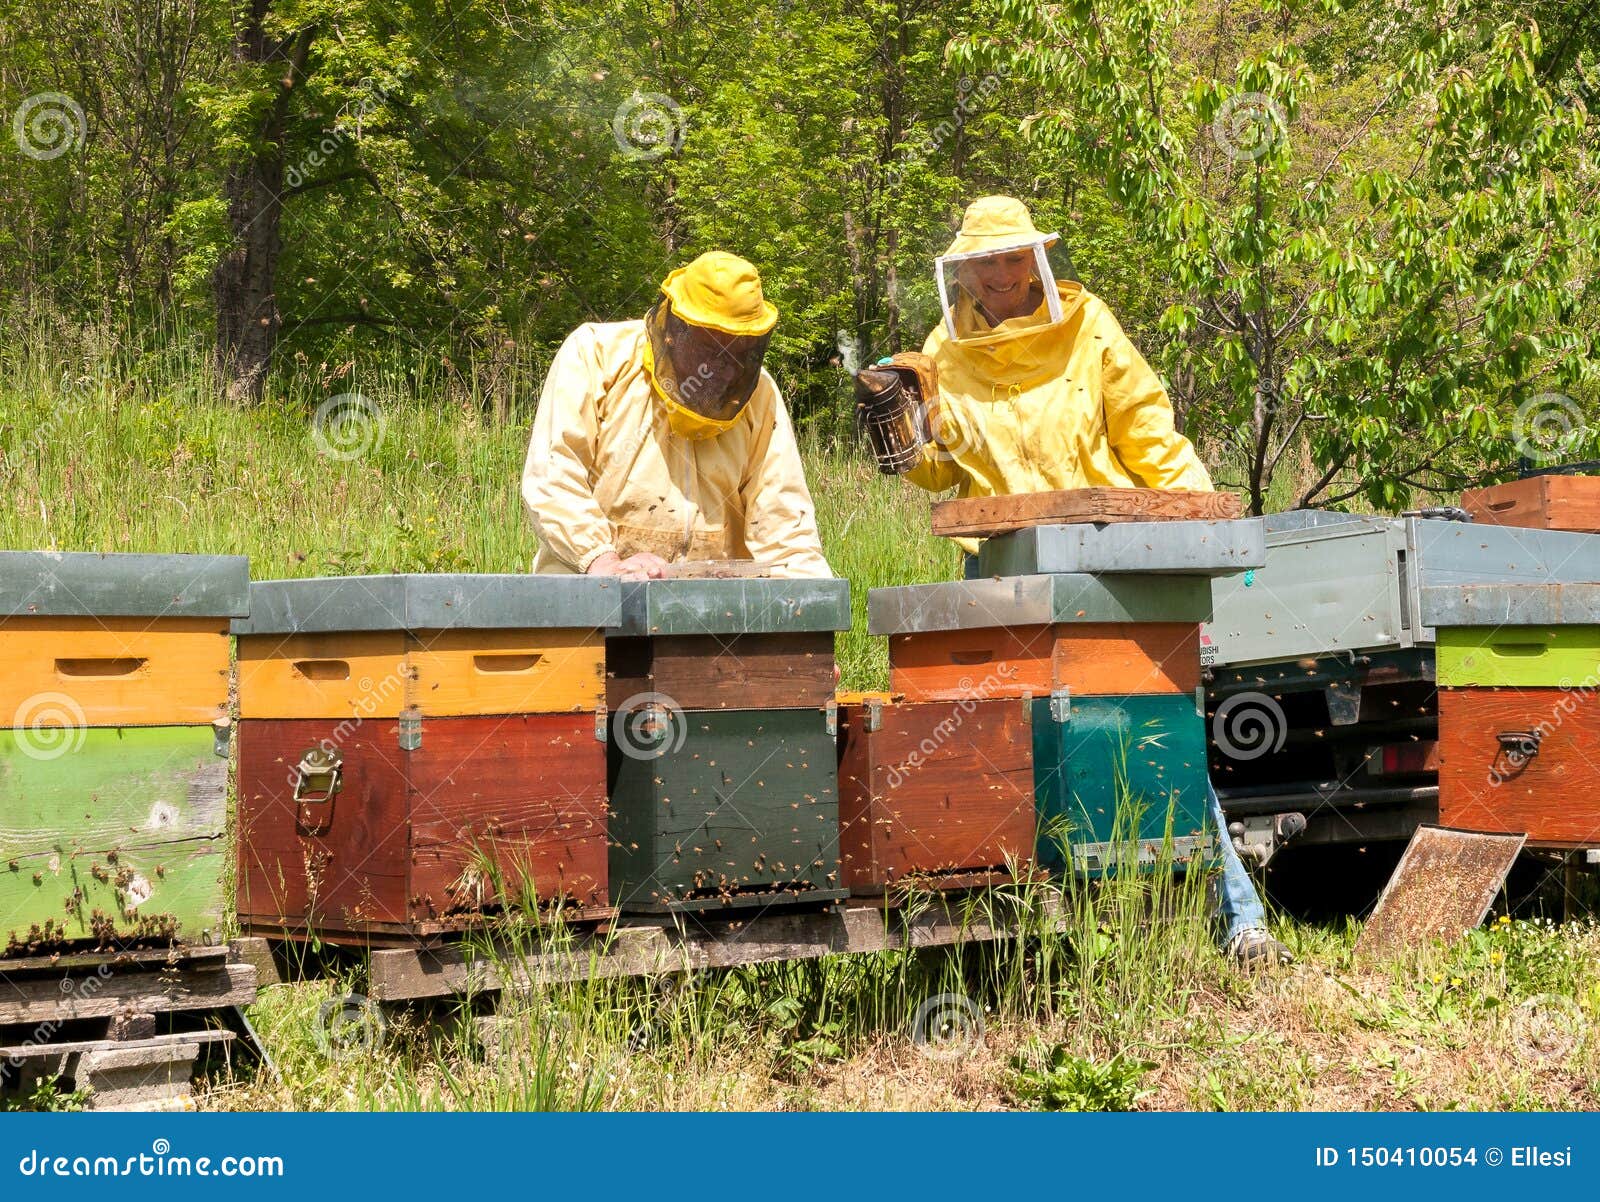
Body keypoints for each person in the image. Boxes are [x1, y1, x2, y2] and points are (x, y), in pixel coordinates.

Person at [904, 195, 1290, 969]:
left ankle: (1238, 921)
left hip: (1107, 561)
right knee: (1021, 757)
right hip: (1003, 570)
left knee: (1159, 741)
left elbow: (1144, 426)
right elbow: (941, 471)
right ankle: (1033, 946)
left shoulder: (1089, 326)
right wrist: (908, 438)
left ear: (1038, 259)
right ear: (963, 268)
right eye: (986, 260)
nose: (1001, 274)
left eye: (1015, 257)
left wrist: (1202, 526)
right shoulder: (940, 353)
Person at [523, 251, 831, 580]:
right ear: (675, 331)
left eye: (739, 355)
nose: (724, 373)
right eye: (713, 351)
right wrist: (602, 560)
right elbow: (554, 475)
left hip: (708, 615)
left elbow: (784, 522)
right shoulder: (596, 355)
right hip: (588, 602)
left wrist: (811, 605)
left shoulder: (760, 394)